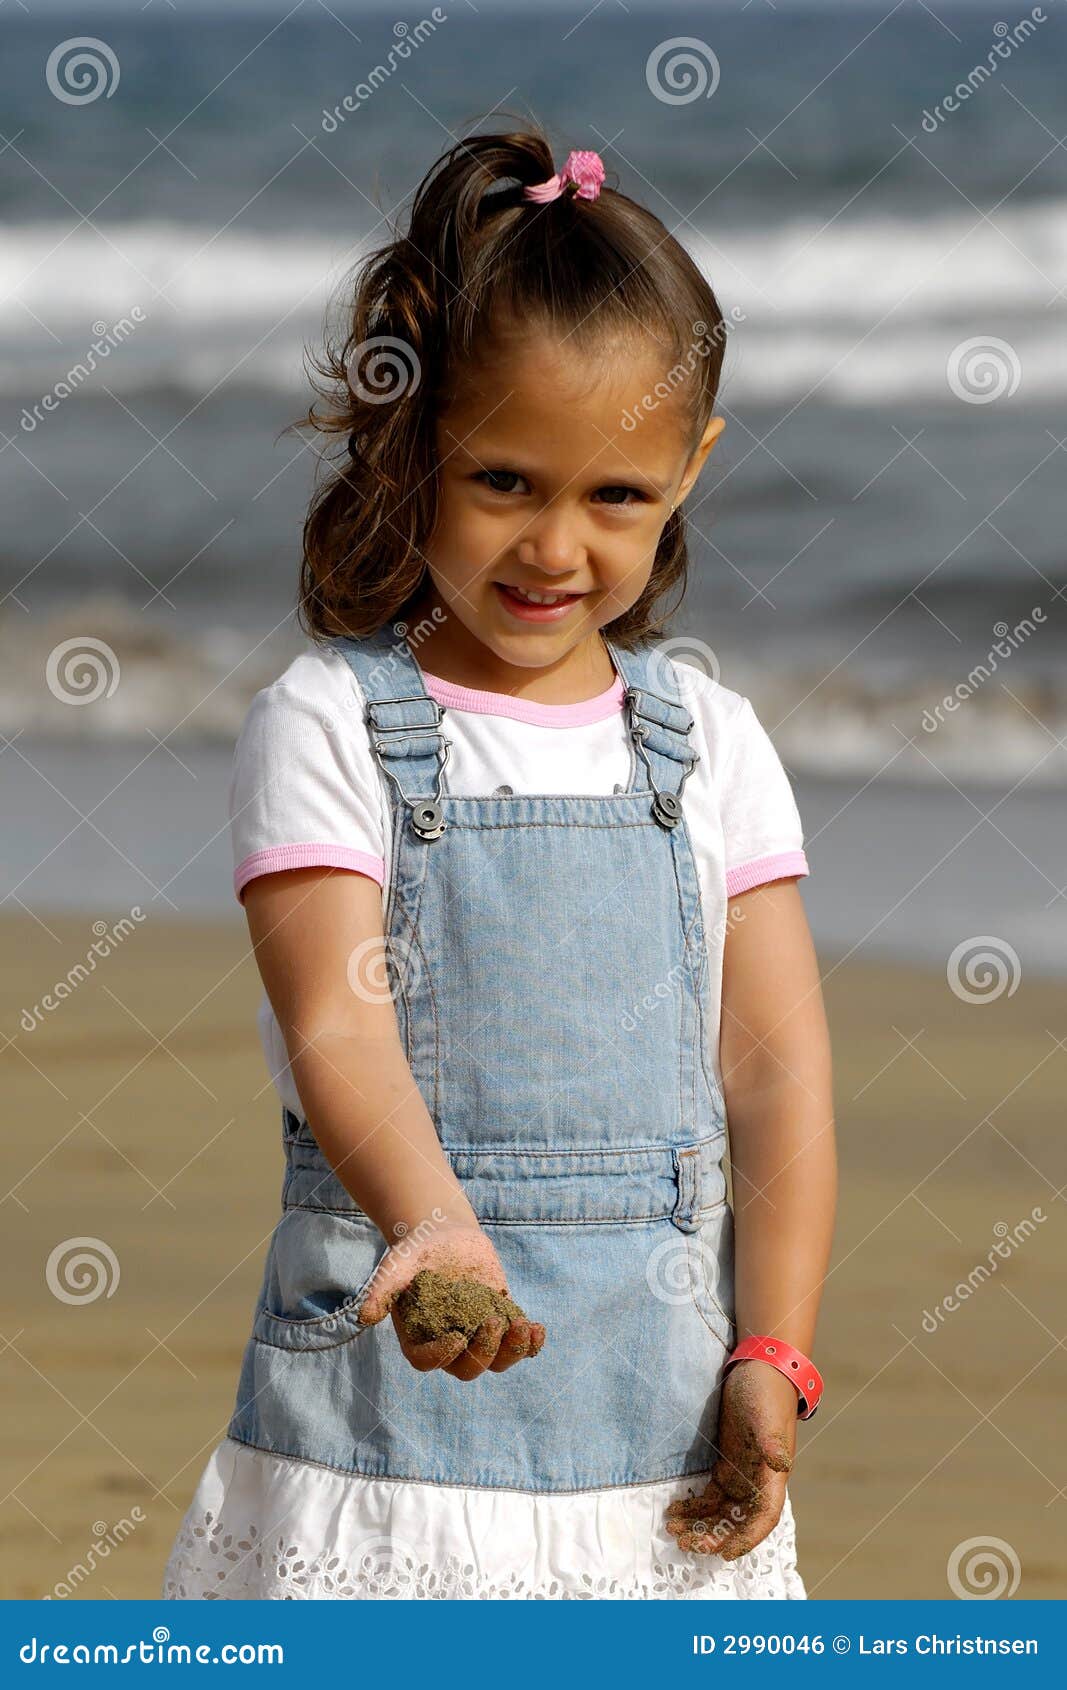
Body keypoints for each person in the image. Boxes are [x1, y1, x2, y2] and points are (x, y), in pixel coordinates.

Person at [162, 126, 837, 1601]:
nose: (555, 547)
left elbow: (777, 1078)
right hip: (389, 1437)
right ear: (413, 444)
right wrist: (433, 1221)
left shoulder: (711, 744)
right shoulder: (331, 722)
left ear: (691, 467)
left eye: (617, 496)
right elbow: (339, 1023)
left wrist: (773, 1350)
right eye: (505, 481)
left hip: (655, 1453)